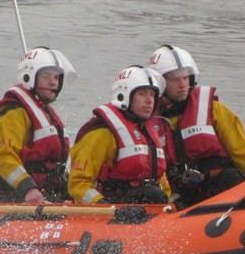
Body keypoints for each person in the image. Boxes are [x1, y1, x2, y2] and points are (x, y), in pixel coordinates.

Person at [148, 44, 245, 208]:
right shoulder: (145, 119)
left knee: (231, 177)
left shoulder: (212, 109)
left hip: (216, 187)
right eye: (174, 79)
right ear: (160, 83)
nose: (182, 84)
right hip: (176, 195)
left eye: (186, 78)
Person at [0, 47, 75, 204]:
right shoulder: (13, 113)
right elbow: (5, 157)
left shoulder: (44, 113)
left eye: (57, 77)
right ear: (29, 76)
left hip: (30, 187)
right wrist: (28, 188)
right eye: (46, 76)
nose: (53, 82)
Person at [68, 66, 173, 205]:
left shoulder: (149, 134)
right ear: (124, 95)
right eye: (142, 94)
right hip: (110, 210)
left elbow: (162, 184)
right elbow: (77, 184)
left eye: (152, 94)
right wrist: (103, 205)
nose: (149, 100)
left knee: (154, 194)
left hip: (146, 209)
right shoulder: (102, 134)